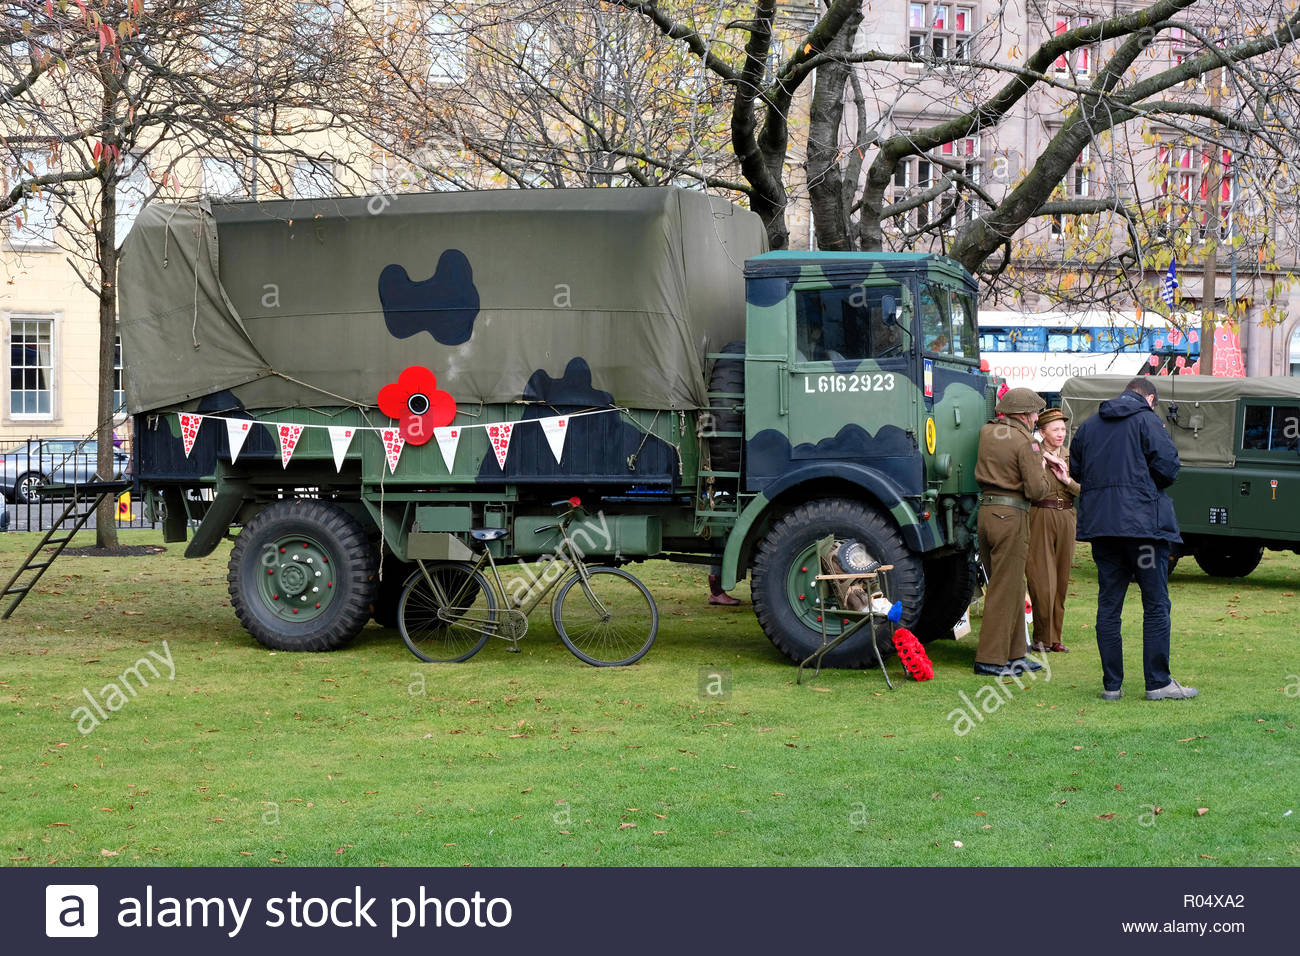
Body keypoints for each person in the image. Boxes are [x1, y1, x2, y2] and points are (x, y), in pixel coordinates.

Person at [1069, 377, 1197, 701]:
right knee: (1155, 604)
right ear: (1150, 399)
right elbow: (1169, 468)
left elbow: (1077, 471)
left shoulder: (1089, 426)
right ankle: (1158, 682)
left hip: (1103, 528)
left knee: (1109, 606)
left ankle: (1112, 685)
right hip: (1143, 531)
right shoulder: (1147, 421)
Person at [973, 387, 1066, 677]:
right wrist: (1043, 467)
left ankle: (1014, 654)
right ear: (1024, 415)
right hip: (1011, 516)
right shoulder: (1027, 442)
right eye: (1035, 413)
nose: (1037, 418)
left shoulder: (987, 432)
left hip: (987, 512)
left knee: (1011, 585)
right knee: (1005, 588)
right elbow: (1037, 490)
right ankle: (990, 658)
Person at [1027, 407, 1079, 654]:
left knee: (1061, 579)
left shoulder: (1070, 456)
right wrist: (1042, 460)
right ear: (1042, 431)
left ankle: (1055, 637)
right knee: (1041, 580)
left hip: (1066, 515)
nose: (1061, 434)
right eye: (1055, 429)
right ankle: (1041, 638)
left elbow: (1084, 489)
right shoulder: (1033, 453)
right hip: (1041, 514)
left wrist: (1067, 480)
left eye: (1063, 429)